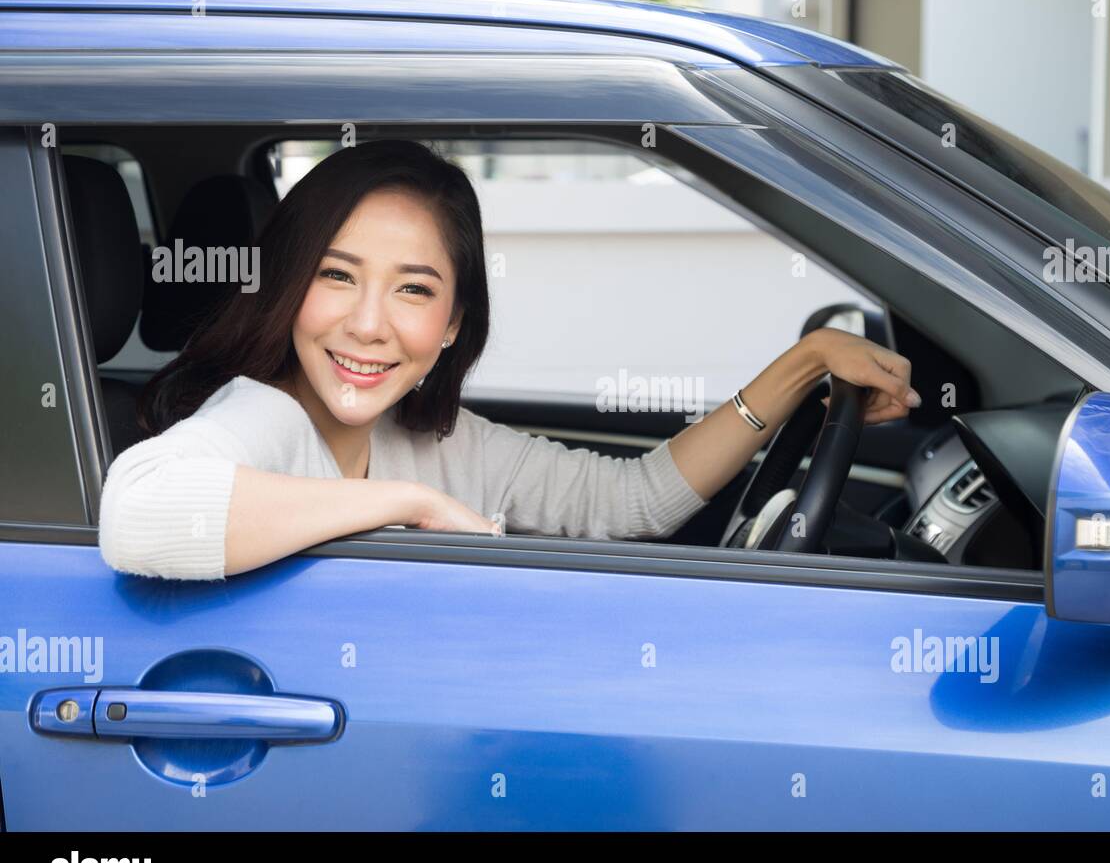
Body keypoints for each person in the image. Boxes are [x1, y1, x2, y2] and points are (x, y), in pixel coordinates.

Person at [99, 140, 919, 580]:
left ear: (453, 324)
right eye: (336, 277)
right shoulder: (264, 414)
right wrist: (414, 508)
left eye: (413, 291)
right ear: (290, 287)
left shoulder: (443, 439)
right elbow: (138, 512)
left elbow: (631, 501)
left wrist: (804, 364)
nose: (368, 324)